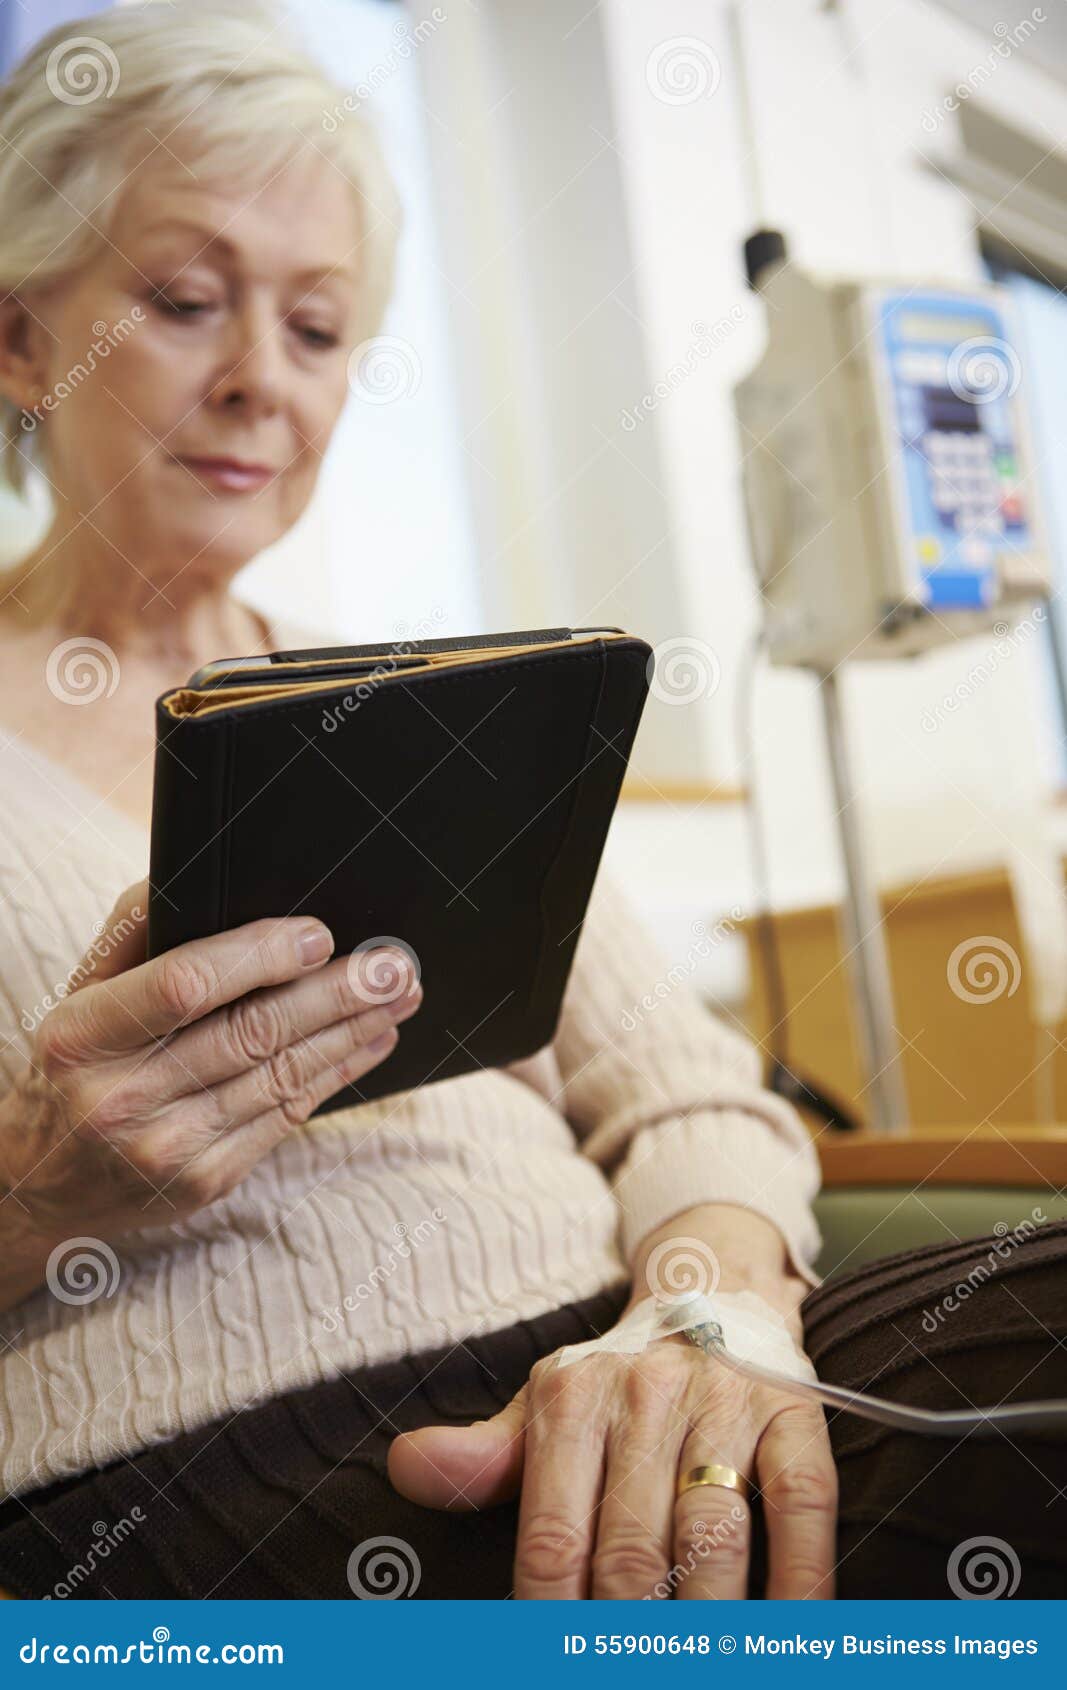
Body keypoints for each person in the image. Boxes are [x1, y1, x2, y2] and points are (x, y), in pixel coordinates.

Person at [0, 1, 1062, 1604]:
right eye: (185, 299)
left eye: (315, 327)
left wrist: (702, 1319)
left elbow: (687, 1093)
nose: (258, 383)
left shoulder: (433, 716)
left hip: (614, 1362)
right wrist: (35, 1195)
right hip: (200, 1480)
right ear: (21, 336)